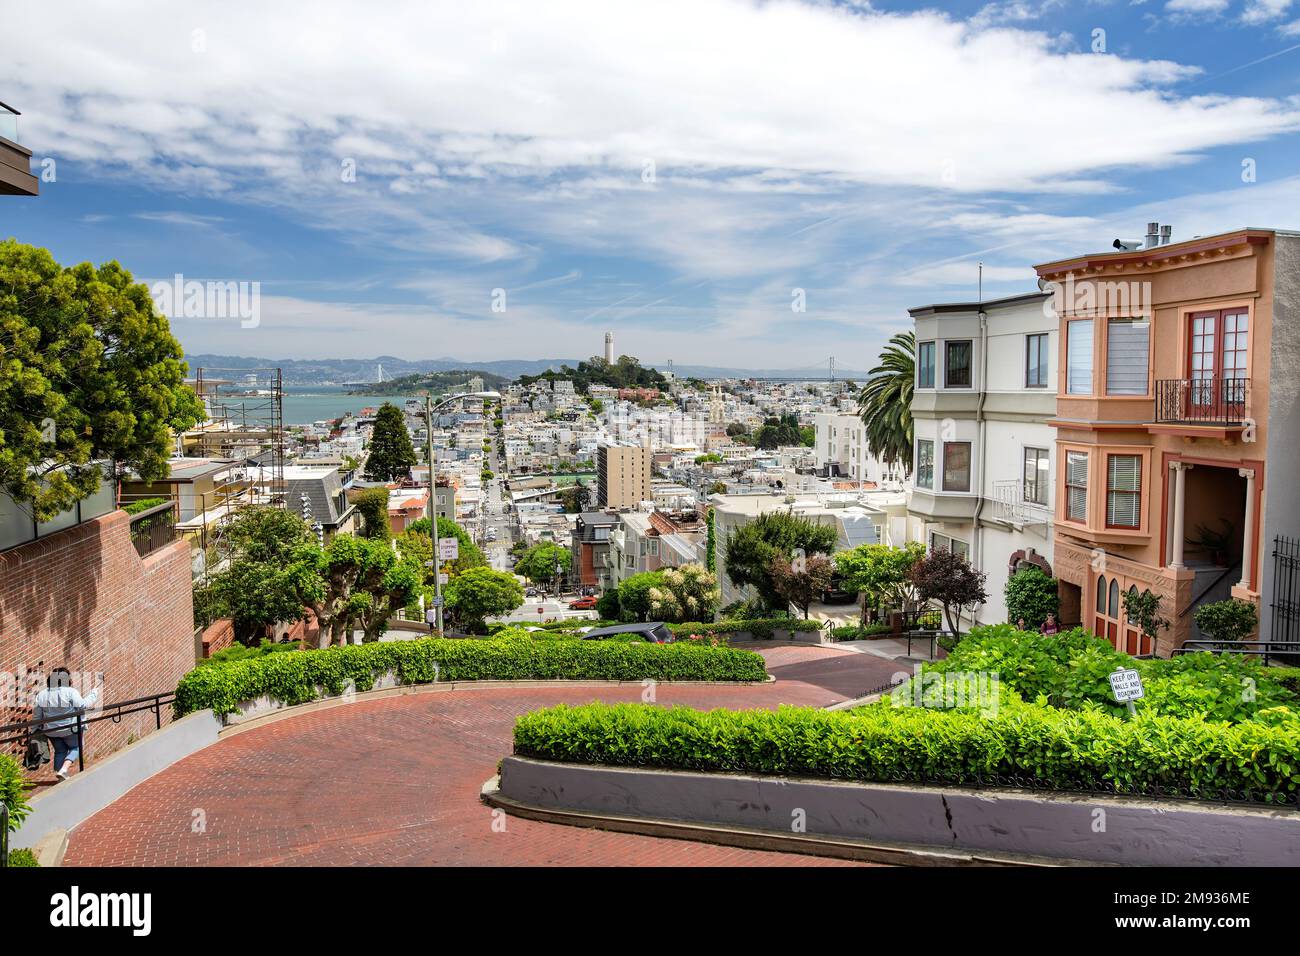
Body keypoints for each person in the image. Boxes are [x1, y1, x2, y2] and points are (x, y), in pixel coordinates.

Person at [33, 668, 100, 780]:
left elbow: (37, 716)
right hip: (70, 729)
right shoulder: (70, 691)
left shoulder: (41, 694)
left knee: (60, 751)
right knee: (77, 747)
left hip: (51, 731)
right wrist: (94, 694)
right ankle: (63, 770)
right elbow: (83, 705)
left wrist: (33, 730)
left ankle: (60, 777)